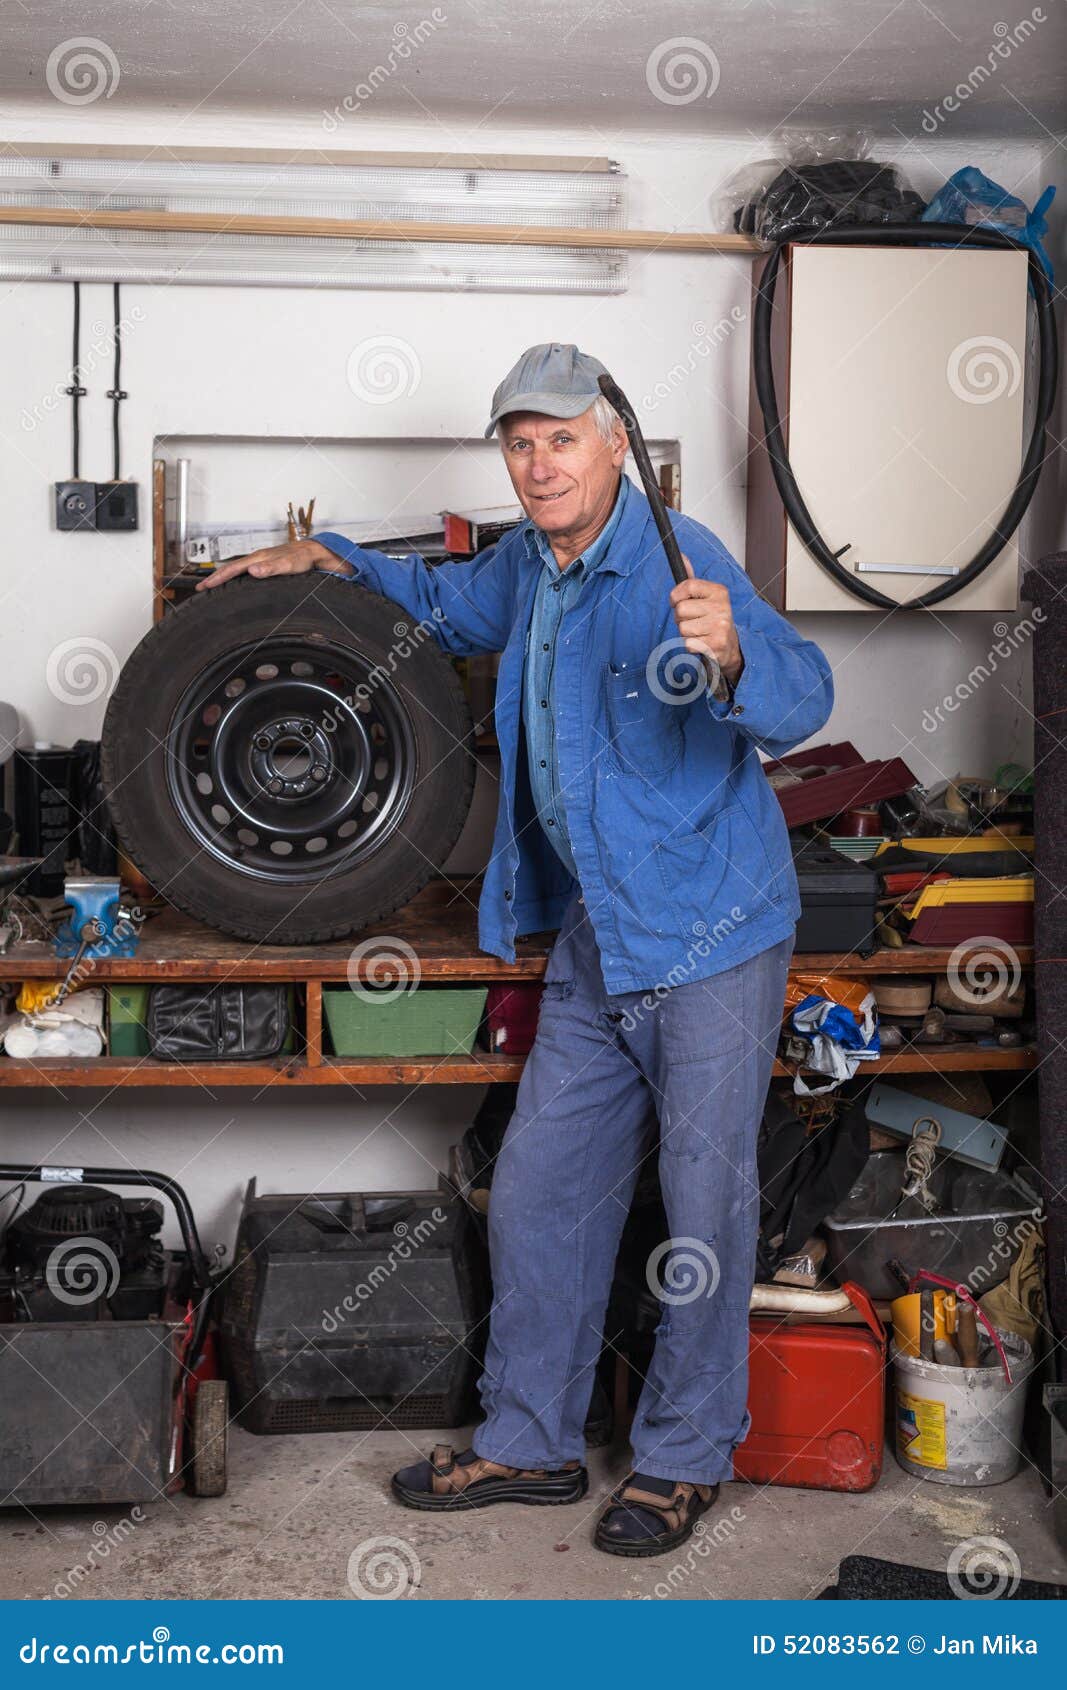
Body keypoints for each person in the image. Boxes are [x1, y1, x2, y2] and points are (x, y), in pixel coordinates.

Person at [200, 342, 834, 1556]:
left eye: (559, 439)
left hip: (708, 934)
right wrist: (327, 559)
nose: (538, 463)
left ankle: (681, 1456)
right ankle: (529, 1438)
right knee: (538, 1192)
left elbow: (805, 701)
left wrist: (741, 658)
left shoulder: (682, 560)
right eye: (519, 442)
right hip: (600, 942)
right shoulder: (526, 574)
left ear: (611, 444)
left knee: (703, 1213)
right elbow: (432, 603)